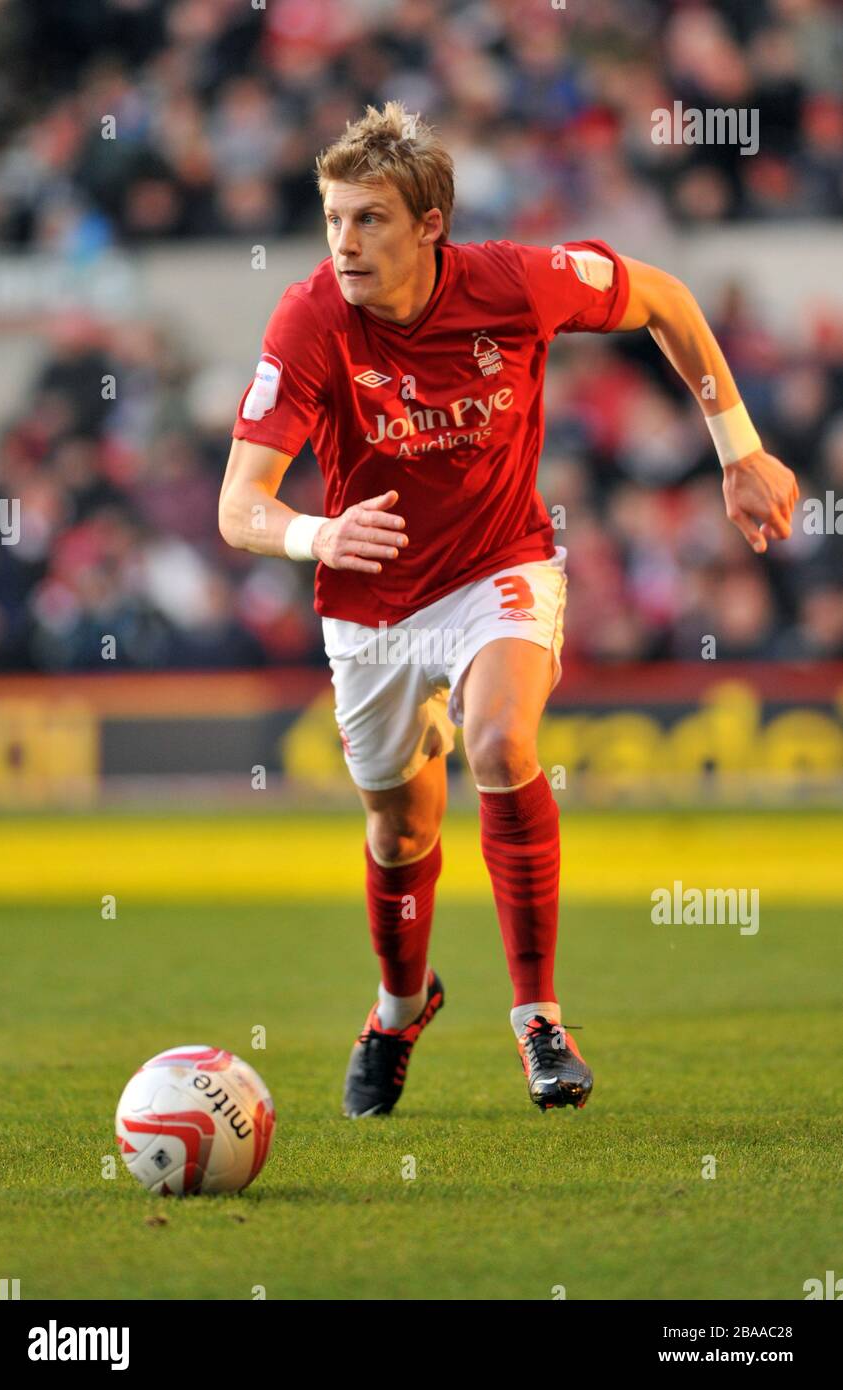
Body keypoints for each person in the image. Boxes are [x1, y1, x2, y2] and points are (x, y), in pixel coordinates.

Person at [219, 101, 798, 1118]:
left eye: (369, 220)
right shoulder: (311, 318)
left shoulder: (513, 283)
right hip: (370, 597)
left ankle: (538, 1017)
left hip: (500, 563)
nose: (344, 243)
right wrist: (318, 534)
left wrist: (738, 447)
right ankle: (401, 1004)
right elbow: (239, 507)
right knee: (400, 834)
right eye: (332, 219)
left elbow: (661, 295)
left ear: (430, 224)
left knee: (497, 741)